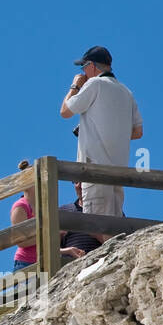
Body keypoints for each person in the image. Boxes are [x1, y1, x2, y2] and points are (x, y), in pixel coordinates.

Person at [59, 45, 142, 241]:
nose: (82, 72)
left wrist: (75, 86)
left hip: (94, 168)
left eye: (83, 67)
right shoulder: (126, 92)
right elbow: (138, 132)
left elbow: (65, 111)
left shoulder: (93, 85)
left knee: (95, 224)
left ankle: (110, 264)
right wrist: (110, 131)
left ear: (92, 66)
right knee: (114, 222)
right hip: (119, 170)